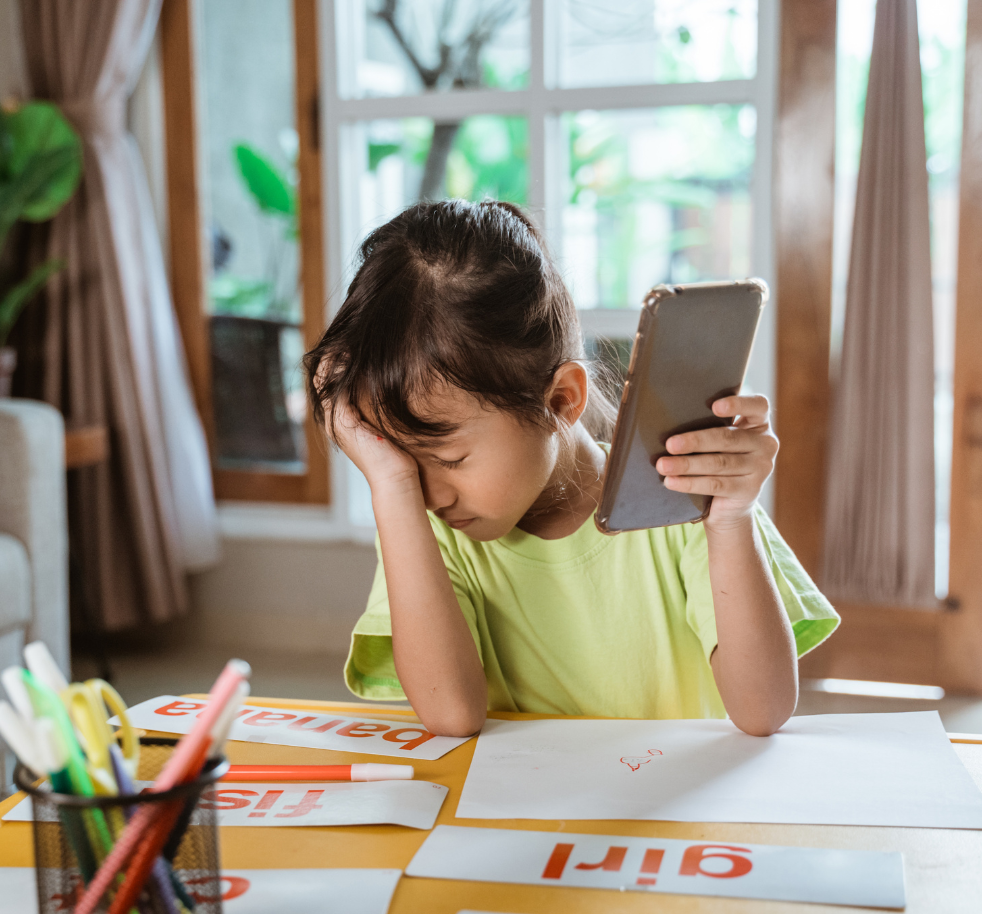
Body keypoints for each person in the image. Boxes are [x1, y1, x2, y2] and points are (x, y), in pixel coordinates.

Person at [305, 200, 838, 738]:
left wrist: (729, 522)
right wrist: (390, 485)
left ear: (561, 401)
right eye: (402, 462)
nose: (430, 494)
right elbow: (451, 715)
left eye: (448, 459)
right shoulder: (426, 526)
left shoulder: (683, 499)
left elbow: (763, 710)